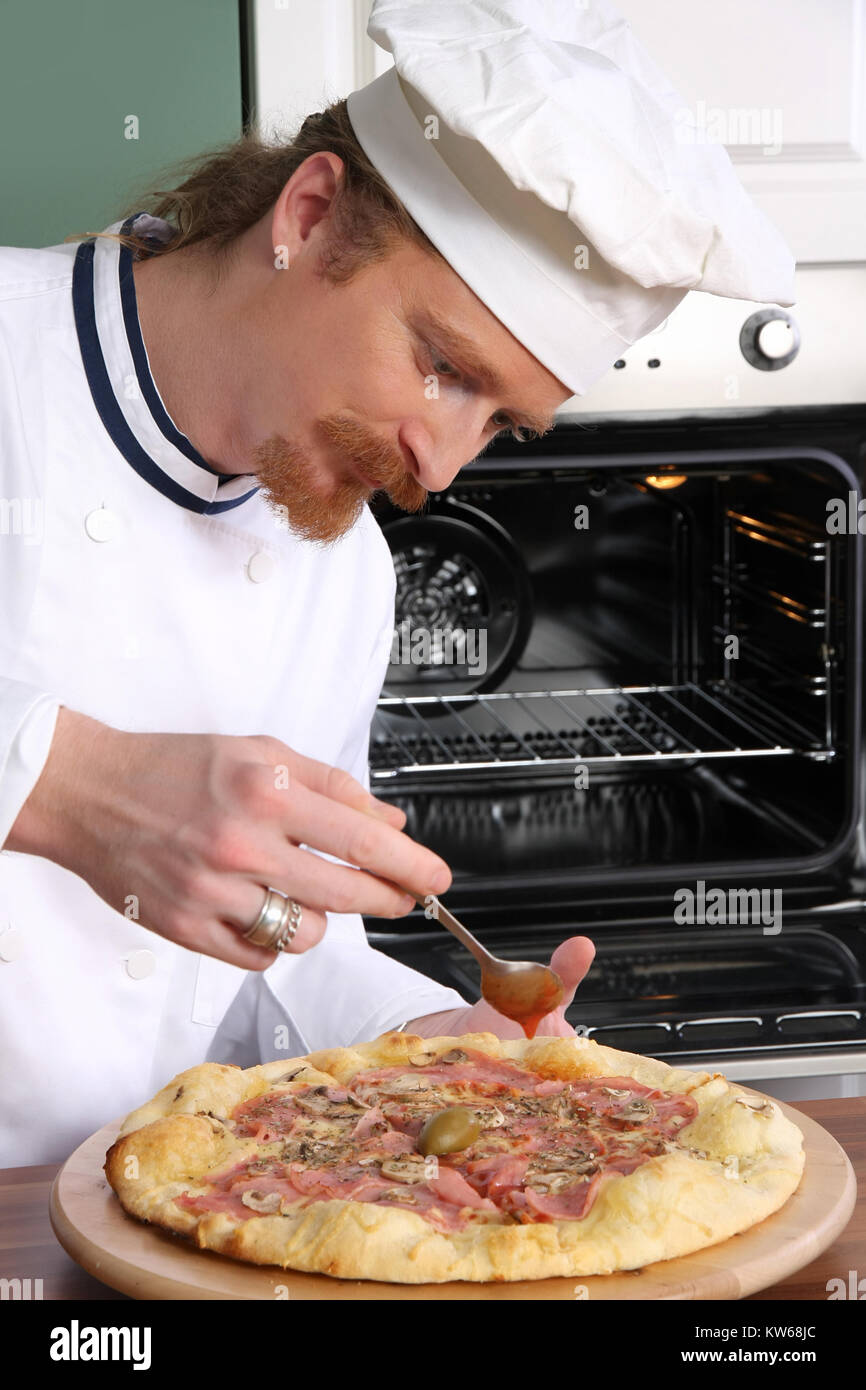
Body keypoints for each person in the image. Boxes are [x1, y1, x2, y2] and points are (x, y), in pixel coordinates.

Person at [0, 0, 795, 1166]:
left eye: (499, 424)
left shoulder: (344, 577)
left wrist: (430, 1040)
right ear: (309, 216)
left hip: (109, 1229)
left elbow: (279, 943)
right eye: (437, 366)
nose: (436, 466)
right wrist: (60, 786)